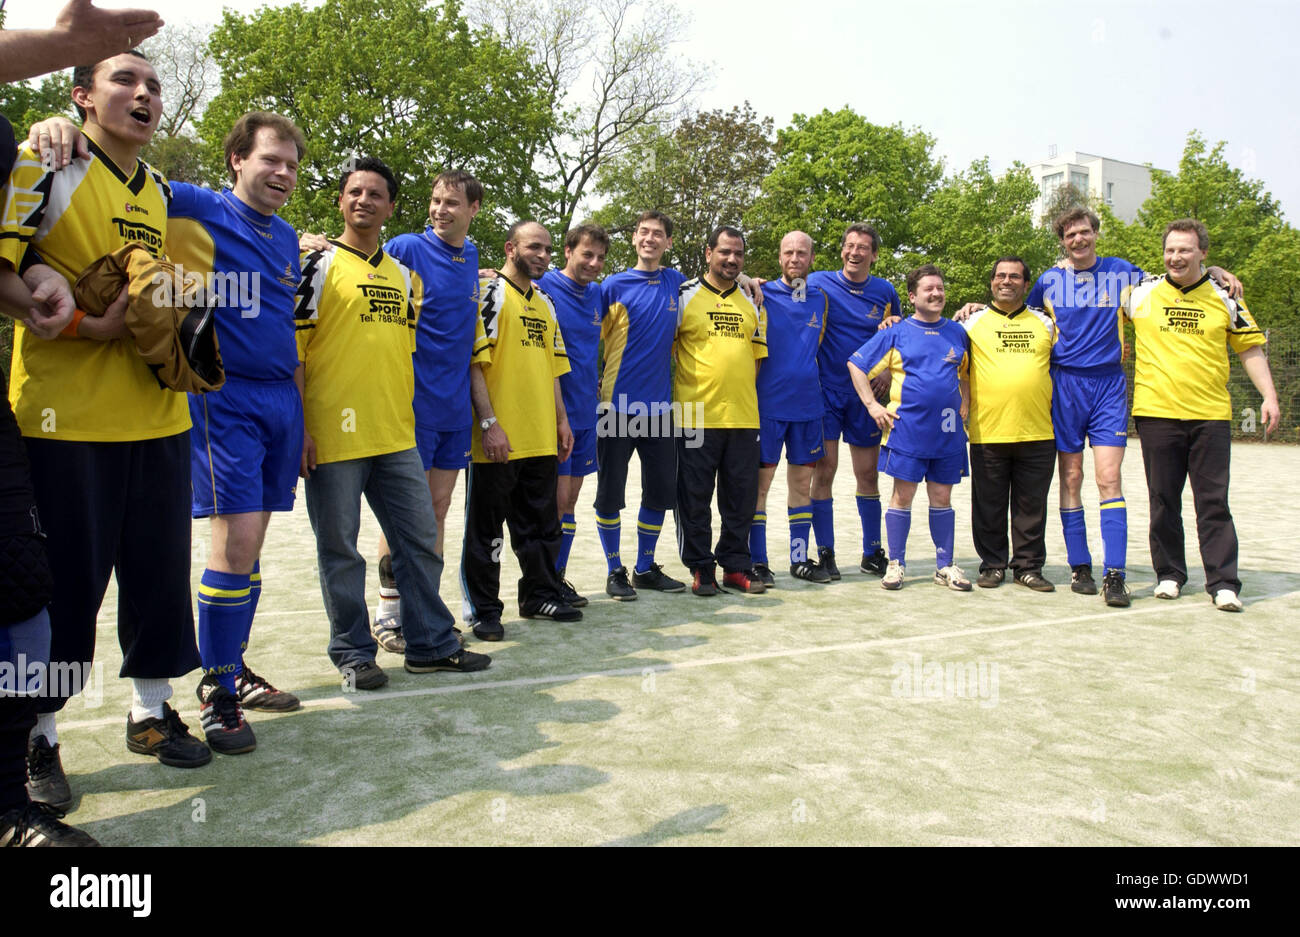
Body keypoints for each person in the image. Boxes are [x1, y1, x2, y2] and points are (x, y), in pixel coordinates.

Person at [3, 50, 211, 818]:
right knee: (61, 588)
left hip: (156, 413)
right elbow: (5, 273)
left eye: (154, 85)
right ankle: (37, 732)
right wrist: (91, 324)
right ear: (81, 94)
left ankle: (151, 710)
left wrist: (186, 324)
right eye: (125, 80)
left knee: (159, 572)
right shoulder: (43, 161)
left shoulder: (164, 193)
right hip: (65, 417)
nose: (144, 94)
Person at [295, 157, 490, 689]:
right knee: (340, 550)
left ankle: (429, 643)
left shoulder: (404, 276)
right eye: (354, 192)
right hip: (334, 435)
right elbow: (297, 353)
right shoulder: (316, 264)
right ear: (341, 201)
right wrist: (301, 428)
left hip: (397, 432)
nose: (363, 201)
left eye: (375, 194)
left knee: (421, 540)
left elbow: (408, 350)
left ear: (390, 206)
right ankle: (354, 652)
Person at [1023, 207, 1240, 607]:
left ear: (1096, 234)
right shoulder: (1048, 281)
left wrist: (1218, 270)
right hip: (1066, 385)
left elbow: (1177, 279)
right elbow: (1022, 314)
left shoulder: (1125, 272)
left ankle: (1115, 574)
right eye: (1070, 235)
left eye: (1085, 232)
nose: (1078, 240)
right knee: (1071, 478)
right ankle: (1080, 566)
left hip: (1108, 386)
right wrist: (973, 308)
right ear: (1062, 240)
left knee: (1109, 479)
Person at [1125, 219, 1279, 611]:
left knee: (1213, 501)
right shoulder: (1140, 294)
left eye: (1185, 250)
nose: (1176, 257)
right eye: (1170, 250)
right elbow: (1084, 305)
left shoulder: (1226, 296)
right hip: (1156, 412)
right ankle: (1170, 575)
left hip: (1210, 415)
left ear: (1203, 254)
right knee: (1163, 500)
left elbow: (1250, 349)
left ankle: (1223, 582)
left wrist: (1269, 396)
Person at [371, 170, 487, 653]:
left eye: (452, 203)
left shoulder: (473, 255)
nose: (440, 210)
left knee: (437, 512)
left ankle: (425, 611)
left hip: (455, 408)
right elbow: (362, 268)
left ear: (473, 209)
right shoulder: (406, 247)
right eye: (436, 201)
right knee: (402, 518)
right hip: (411, 406)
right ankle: (388, 615)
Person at [462, 221, 577, 641]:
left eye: (547, 249)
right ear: (511, 248)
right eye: (534, 247)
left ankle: (539, 595)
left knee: (541, 527)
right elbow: (475, 363)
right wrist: (489, 424)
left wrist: (561, 421)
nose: (543, 255)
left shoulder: (545, 302)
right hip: (497, 441)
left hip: (540, 438)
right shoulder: (490, 294)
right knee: (486, 532)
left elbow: (553, 369)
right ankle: (484, 609)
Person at [848, 265, 971, 592]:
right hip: (907, 430)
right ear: (913, 296)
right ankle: (896, 562)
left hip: (948, 433)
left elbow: (966, 372)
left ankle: (944, 565)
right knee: (902, 496)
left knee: (942, 497)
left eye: (940, 288)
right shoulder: (896, 332)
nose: (936, 293)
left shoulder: (958, 332)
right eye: (928, 289)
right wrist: (872, 405)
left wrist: (966, 403)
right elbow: (856, 364)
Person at [594, 211, 687, 600]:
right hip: (616, 408)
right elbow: (585, 331)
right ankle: (615, 570)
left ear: (667, 243)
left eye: (659, 234)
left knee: (659, 494)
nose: (650, 239)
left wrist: (750, 279)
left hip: (661, 412)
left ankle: (645, 567)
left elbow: (721, 282)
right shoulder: (611, 286)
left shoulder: (676, 283)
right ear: (634, 238)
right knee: (610, 494)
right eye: (644, 233)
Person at [674, 226, 768, 596]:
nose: (732, 259)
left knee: (741, 499)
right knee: (694, 497)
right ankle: (701, 569)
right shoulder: (683, 295)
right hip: (695, 416)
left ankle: (735, 566)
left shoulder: (751, 301)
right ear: (709, 252)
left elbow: (756, 358)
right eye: (725, 252)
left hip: (744, 417)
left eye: (738, 254)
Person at [808, 223, 902, 580]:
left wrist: (888, 375)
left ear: (874, 255)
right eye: (849, 246)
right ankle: (826, 553)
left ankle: (871, 551)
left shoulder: (884, 291)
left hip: (868, 398)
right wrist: (752, 282)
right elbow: (782, 294)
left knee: (867, 476)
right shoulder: (817, 281)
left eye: (863, 247)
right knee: (825, 472)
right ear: (842, 250)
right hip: (827, 391)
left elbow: (897, 337)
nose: (855, 252)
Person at [962, 258, 1058, 592]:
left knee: (1031, 506)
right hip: (988, 429)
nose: (1007, 281)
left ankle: (1028, 567)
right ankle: (992, 564)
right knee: (988, 504)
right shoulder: (971, 323)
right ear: (991, 283)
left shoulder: (1046, 323)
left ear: (1026, 285)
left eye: (1014, 276)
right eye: (1001, 276)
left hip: (1039, 429)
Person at [751, 231, 830, 585]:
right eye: (788, 252)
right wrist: (745, 279)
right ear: (779, 257)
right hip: (766, 408)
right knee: (759, 488)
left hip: (808, 409)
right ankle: (758, 561)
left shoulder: (820, 299)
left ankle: (799, 559)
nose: (795, 258)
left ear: (812, 258)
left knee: (802, 485)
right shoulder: (759, 295)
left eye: (802, 253)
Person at [539, 222, 608, 607]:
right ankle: (543, 582)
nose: (593, 263)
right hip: (551, 414)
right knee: (553, 501)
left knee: (569, 503)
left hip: (585, 414)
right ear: (568, 251)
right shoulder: (544, 286)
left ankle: (557, 578)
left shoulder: (599, 294)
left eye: (600, 257)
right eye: (587, 254)